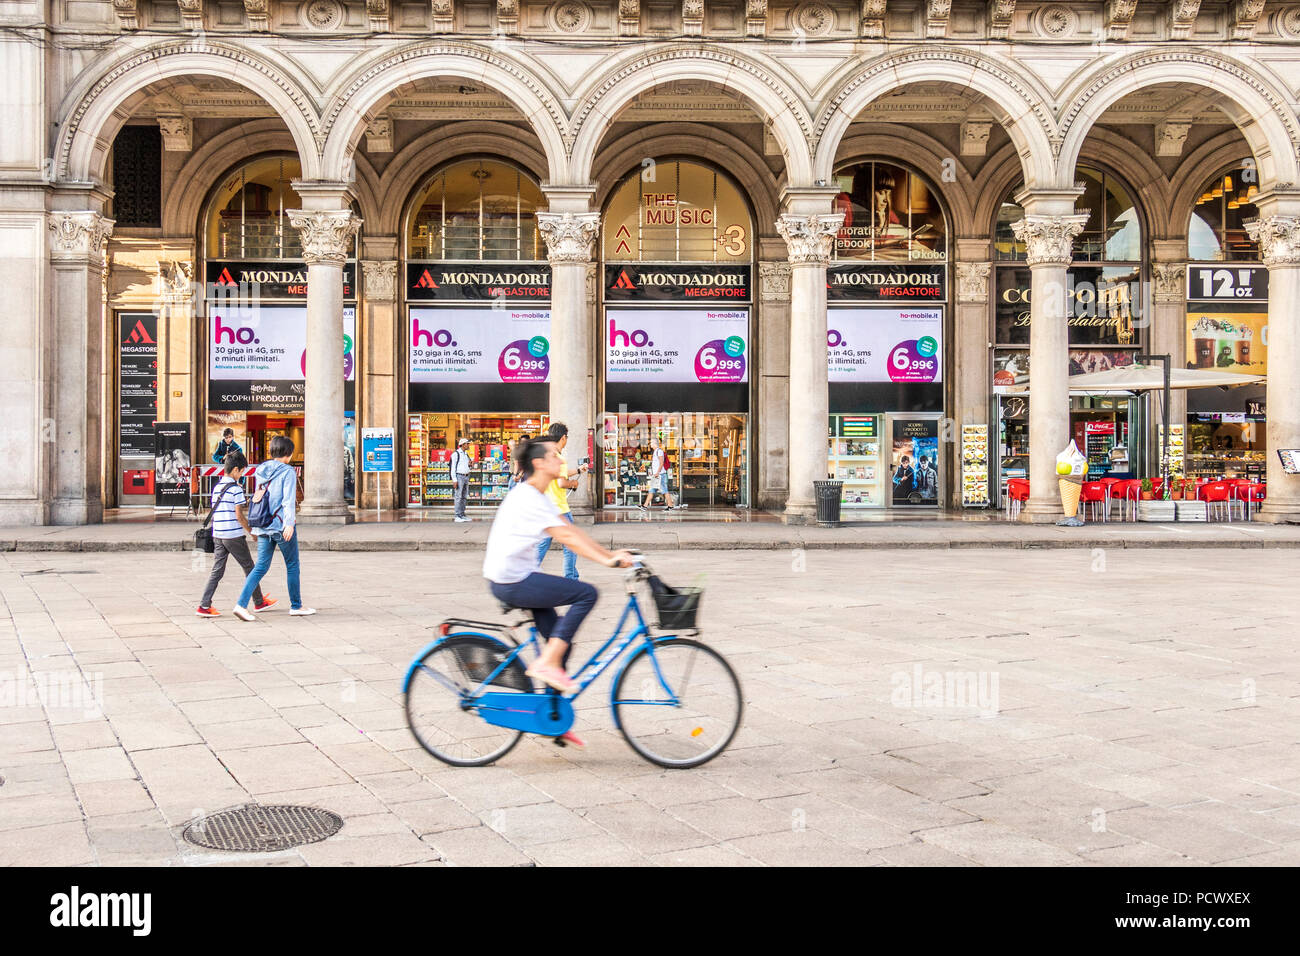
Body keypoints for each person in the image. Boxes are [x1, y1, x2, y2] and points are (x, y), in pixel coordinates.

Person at [484, 437, 635, 747]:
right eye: (554, 454)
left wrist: (609, 554)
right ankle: (546, 663)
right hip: (513, 580)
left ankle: (552, 718)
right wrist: (608, 560)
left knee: (561, 643)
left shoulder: (537, 495)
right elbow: (567, 536)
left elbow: (573, 532)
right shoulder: (528, 497)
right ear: (538, 463)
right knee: (586, 594)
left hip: (516, 576)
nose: (560, 458)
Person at [232, 435, 314, 620]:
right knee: (292, 565)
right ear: (288, 453)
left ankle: (241, 604)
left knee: (260, 566)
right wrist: (289, 523)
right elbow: (288, 500)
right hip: (280, 525)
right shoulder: (287, 471)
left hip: (263, 525)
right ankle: (296, 605)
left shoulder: (260, 470)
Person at [196, 450, 276, 617]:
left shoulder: (217, 487)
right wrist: (252, 531)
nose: (242, 475)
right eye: (242, 472)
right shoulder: (236, 489)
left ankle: (204, 605)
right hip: (233, 535)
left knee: (217, 571)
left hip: (218, 535)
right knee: (250, 567)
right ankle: (259, 602)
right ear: (235, 470)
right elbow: (239, 515)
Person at [536, 423, 585, 580]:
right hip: (560, 510)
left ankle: (526, 574)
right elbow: (561, 482)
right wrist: (574, 483)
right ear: (563, 437)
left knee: (542, 545)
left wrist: (578, 470)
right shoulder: (560, 458)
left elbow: (559, 474)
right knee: (571, 546)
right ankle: (571, 578)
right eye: (567, 438)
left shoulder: (546, 455)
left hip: (546, 508)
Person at [640, 438, 678, 511]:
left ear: (655, 443)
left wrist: (657, 472)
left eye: (651, 443)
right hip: (657, 475)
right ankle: (645, 506)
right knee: (651, 490)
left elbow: (661, 463)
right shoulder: (655, 451)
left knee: (664, 490)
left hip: (660, 475)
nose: (650, 444)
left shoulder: (659, 451)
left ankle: (670, 505)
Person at [451, 437, 473, 522]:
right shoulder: (456, 454)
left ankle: (462, 514)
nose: (468, 445)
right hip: (459, 477)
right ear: (463, 445)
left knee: (464, 496)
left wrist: (470, 465)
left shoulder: (466, 454)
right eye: (467, 444)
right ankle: (457, 515)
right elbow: (453, 468)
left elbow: (466, 465)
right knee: (458, 496)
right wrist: (454, 480)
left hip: (466, 476)